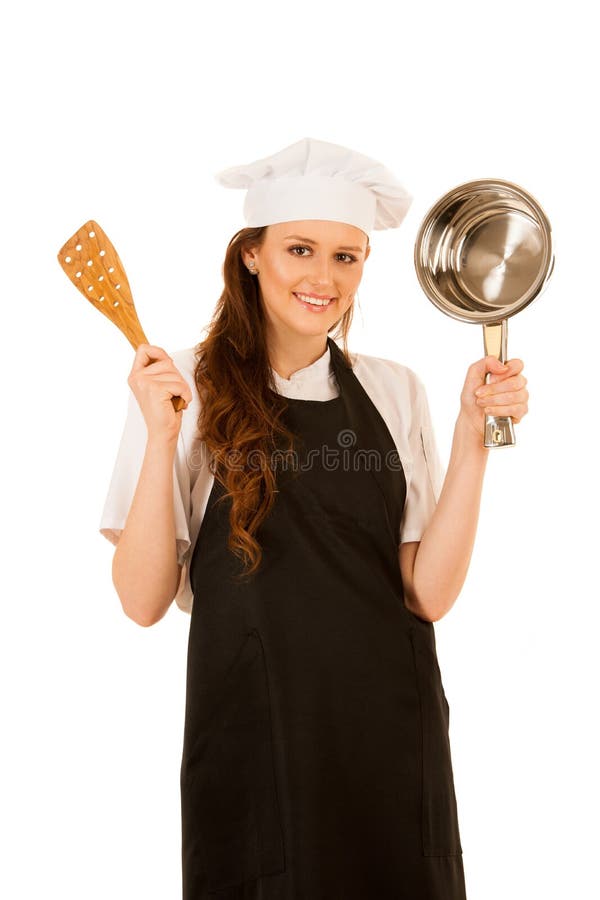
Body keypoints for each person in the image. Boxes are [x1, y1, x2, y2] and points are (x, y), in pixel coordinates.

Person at [99, 137, 529, 899]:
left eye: (347, 257)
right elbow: (140, 602)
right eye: (301, 249)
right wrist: (163, 435)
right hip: (255, 738)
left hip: (390, 737)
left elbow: (427, 595)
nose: (324, 278)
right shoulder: (180, 391)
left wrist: (472, 439)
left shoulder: (394, 390)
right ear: (253, 255)